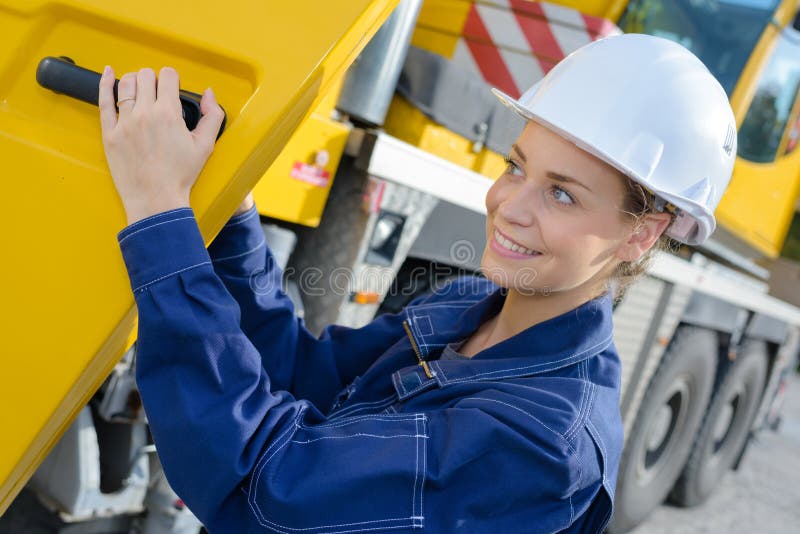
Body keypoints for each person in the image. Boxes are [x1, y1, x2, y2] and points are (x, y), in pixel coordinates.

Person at [98, 33, 735, 533]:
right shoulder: (467, 309)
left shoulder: (543, 446)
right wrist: (231, 217)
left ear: (641, 235)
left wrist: (160, 215)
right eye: (517, 166)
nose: (508, 204)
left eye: (563, 195)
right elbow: (298, 371)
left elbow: (267, 490)